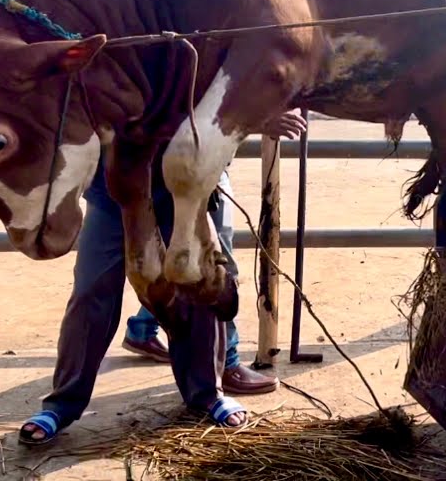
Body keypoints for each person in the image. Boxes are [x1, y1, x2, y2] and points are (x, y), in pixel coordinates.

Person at [18, 110, 306, 445]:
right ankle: (61, 404)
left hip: (184, 187)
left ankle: (206, 394)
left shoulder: (197, 55)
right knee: (90, 291)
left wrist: (249, 117)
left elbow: (226, 86)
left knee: (201, 284)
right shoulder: (101, 58)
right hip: (114, 189)